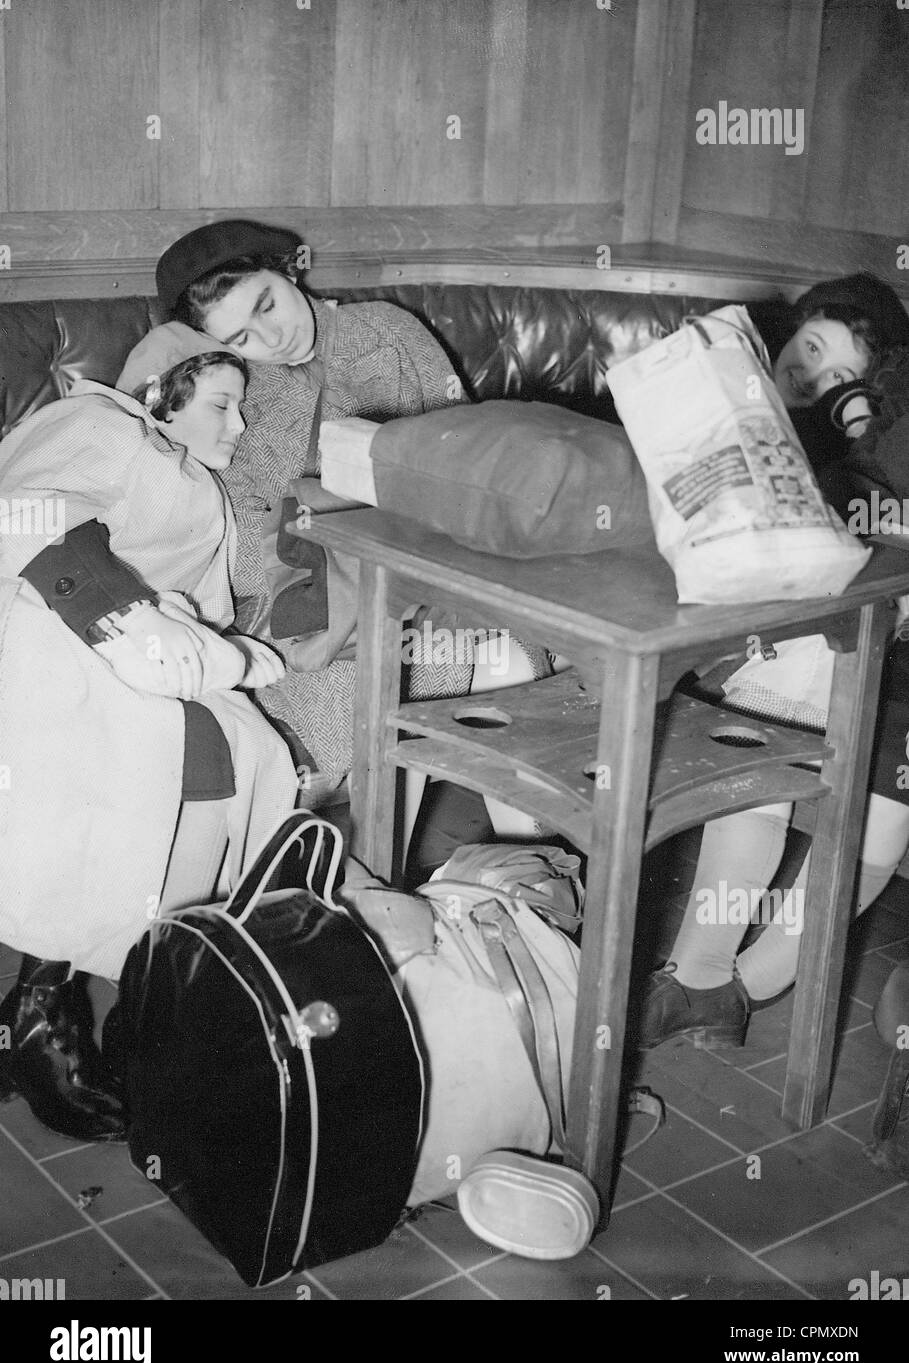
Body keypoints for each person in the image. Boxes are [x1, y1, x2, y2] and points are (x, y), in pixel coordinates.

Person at [155, 218, 550, 836]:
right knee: (381, 680)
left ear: (289, 270)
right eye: (241, 337)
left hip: (431, 575)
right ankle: (370, 874)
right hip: (309, 609)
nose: (272, 337)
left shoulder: (388, 336)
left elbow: (468, 466)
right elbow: (239, 543)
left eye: (268, 304)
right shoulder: (235, 397)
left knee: (508, 661)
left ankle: (524, 886)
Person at [0, 324, 298, 1141]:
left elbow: (198, 604)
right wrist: (136, 631)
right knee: (175, 765)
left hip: (137, 657)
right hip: (47, 639)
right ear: (160, 390)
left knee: (231, 766)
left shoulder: (189, 475)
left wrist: (224, 650)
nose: (239, 426)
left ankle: (135, 1012)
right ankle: (48, 1016)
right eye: (221, 404)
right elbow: (37, 522)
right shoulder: (96, 426)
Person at [639, 272, 909, 1048]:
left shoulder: (856, 436)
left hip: (876, 648)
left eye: (838, 379)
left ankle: (739, 989)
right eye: (812, 347)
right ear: (793, 326)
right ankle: (695, 976)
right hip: (779, 638)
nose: (813, 375)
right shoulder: (722, 394)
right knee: (763, 754)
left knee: (880, 828)